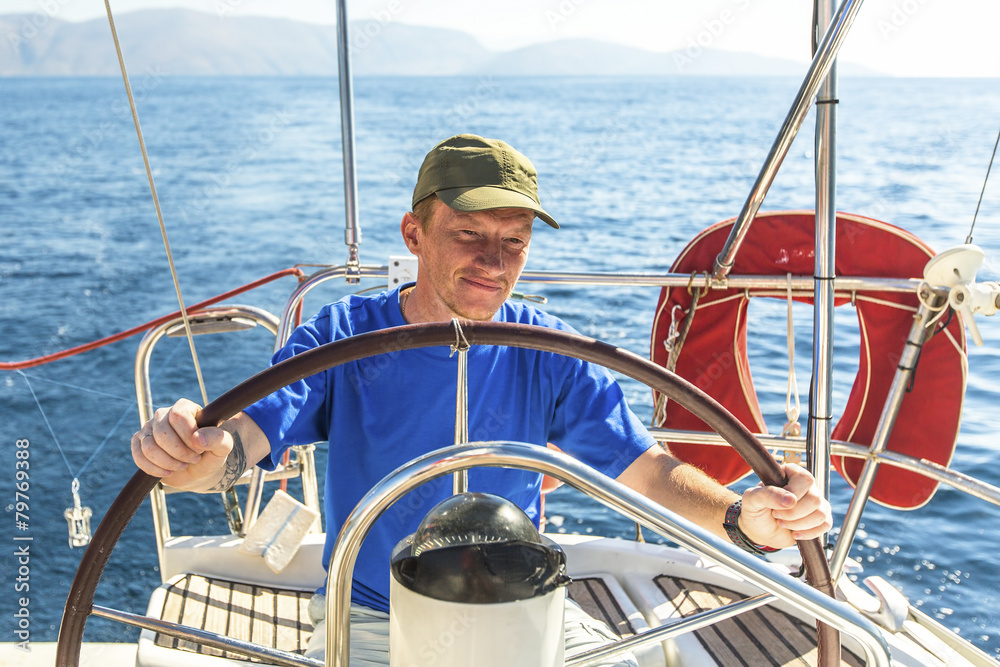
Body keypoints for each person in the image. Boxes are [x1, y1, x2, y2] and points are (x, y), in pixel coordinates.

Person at [132, 133, 832, 666]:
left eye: (514, 243)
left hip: (525, 605)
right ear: (415, 234)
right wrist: (196, 454)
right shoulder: (342, 339)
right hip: (376, 613)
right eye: (469, 235)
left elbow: (645, 469)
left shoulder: (549, 351)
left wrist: (742, 517)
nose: (494, 262)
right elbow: (246, 438)